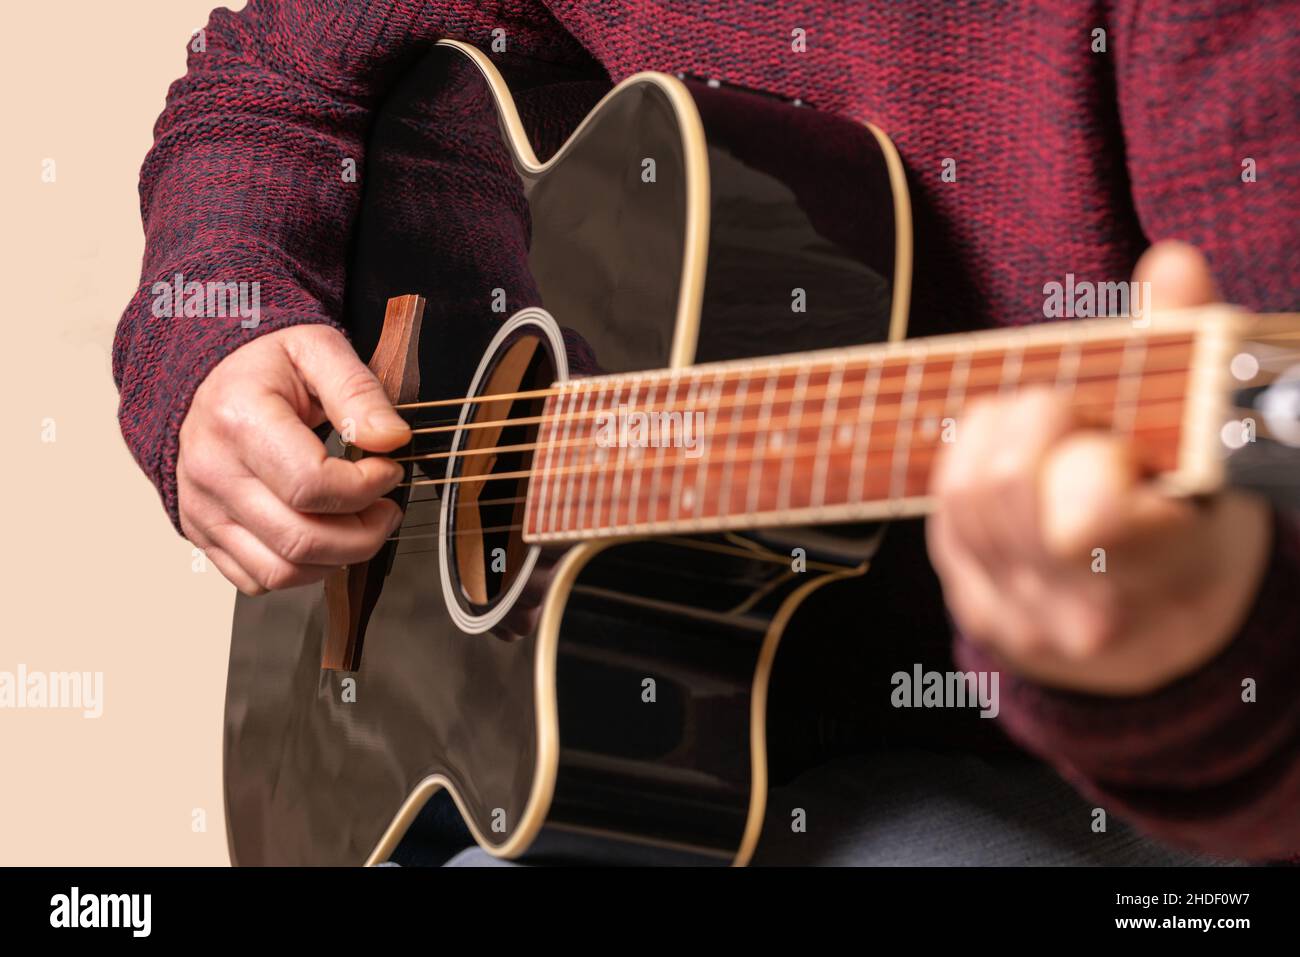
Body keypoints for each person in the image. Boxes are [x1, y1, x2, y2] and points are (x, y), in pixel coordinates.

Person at [114, 0, 1299, 864]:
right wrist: (215, 343)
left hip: (1092, 785)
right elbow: (263, 85)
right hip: (587, 741)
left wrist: (1176, 661)